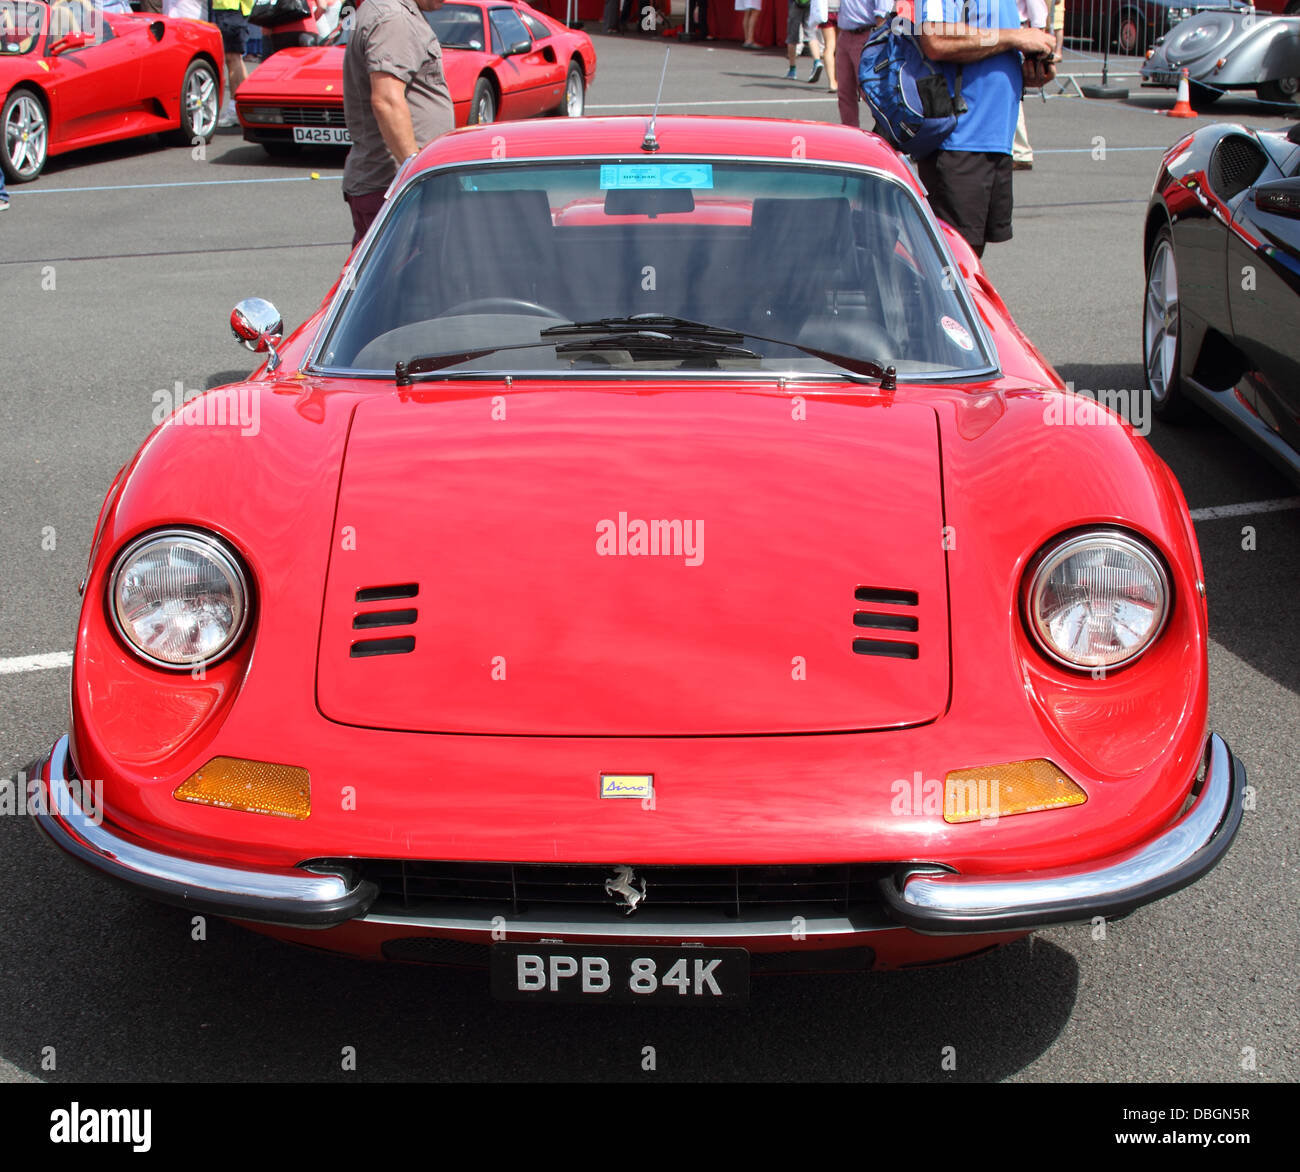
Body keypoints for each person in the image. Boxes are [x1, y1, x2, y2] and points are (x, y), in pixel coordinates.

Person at [916, 0, 1056, 255]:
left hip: (995, 138)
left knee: (970, 259)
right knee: (953, 262)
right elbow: (934, 39)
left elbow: (991, 44)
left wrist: (1033, 68)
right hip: (959, 140)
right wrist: (1016, 38)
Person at [342, 0, 452, 246]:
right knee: (406, 280)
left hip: (393, 184)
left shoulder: (391, 12)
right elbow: (387, 101)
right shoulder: (394, 19)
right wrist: (418, 173)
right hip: (395, 186)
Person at [833, 0, 893, 127]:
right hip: (845, 34)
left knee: (870, 90)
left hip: (866, 34)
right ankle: (850, 134)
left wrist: (876, 40)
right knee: (844, 91)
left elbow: (883, 11)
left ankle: (887, 130)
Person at [211, 0, 255, 127]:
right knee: (235, 58)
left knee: (232, 58)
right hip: (230, 9)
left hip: (231, 9)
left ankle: (234, 109)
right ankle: (244, 106)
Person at [785, 0, 820, 80]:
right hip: (809, 3)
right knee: (811, 34)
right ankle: (817, 61)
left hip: (795, 3)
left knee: (792, 37)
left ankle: (792, 70)